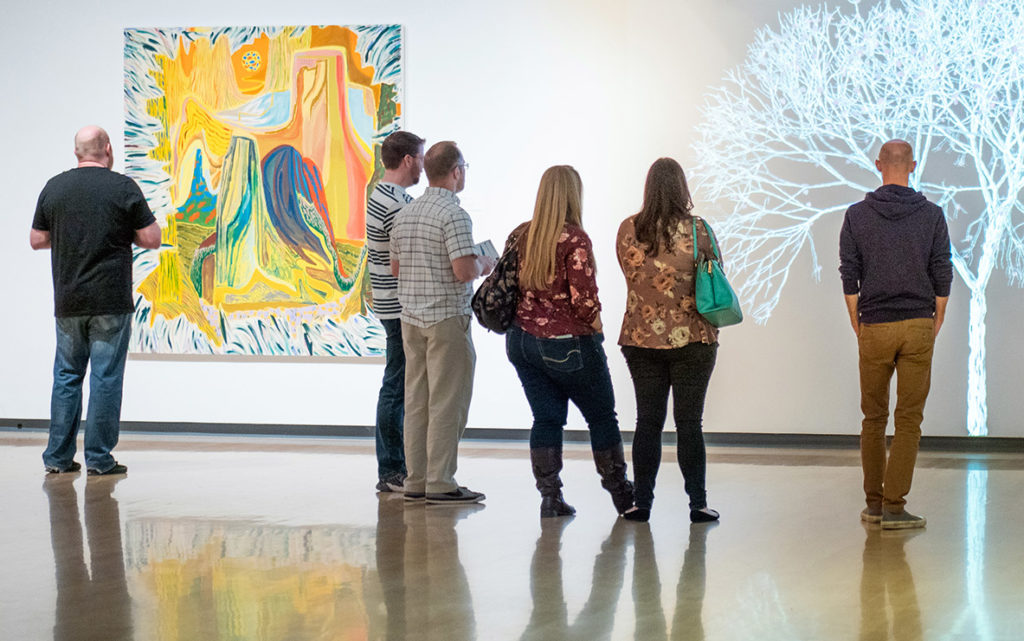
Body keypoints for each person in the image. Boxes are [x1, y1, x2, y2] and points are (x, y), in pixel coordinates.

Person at [31, 126, 161, 476]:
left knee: (67, 376)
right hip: (110, 300)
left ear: (77, 152)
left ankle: (57, 458)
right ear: (107, 149)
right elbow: (151, 238)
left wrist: (69, 236)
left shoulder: (54, 187)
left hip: (69, 298)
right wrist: (119, 233)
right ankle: (100, 460)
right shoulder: (122, 187)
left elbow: (36, 239)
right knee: (104, 378)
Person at [505, 165, 634, 518]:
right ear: (573, 195)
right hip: (568, 343)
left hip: (521, 342)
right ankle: (623, 495)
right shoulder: (575, 239)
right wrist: (598, 326)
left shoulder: (520, 235)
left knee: (545, 419)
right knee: (602, 417)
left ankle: (550, 497)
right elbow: (584, 302)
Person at [839, 139, 952, 530]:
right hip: (918, 323)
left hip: (874, 323)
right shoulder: (933, 215)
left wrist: (858, 321)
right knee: (908, 420)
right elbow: (942, 271)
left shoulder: (856, 215)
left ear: (877, 165)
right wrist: (935, 319)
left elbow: (849, 275)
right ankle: (894, 505)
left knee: (873, 417)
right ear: (914, 166)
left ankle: (873, 503)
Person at [615, 157, 721, 524]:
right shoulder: (698, 230)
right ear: (682, 188)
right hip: (693, 337)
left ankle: (641, 503)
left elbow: (631, 277)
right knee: (690, 423)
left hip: (641, 338)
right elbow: (716, 273)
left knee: (648, 421)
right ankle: (698, 504)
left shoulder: (628, 229)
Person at [389, 141, 496, 504]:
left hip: (411, 319)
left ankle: (416, 479)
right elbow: (463, 270)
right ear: (456, 172)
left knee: (416, 400)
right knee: (447, 401)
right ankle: (440, 481)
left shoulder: (405, 214)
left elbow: (396, 269)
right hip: (447, 318)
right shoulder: (454, 215)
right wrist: (485, 262)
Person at [366, 131, 425, 494]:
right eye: (420, 158)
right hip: (398, 304)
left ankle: (397, 467)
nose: (422, 165)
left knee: (398, 384)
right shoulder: (397, 204)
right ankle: (391, 470)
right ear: (407, 161)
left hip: (389, 302)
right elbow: (402, 261)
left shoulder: (383, 195)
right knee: (397, 387)